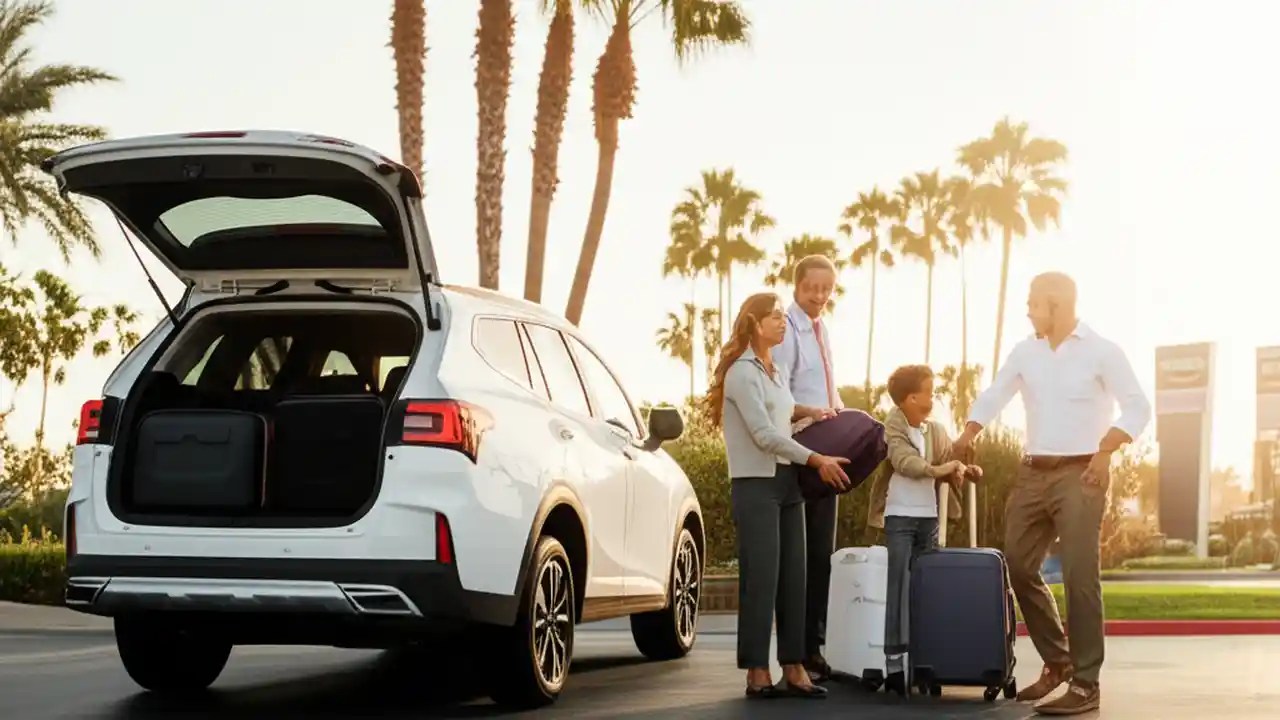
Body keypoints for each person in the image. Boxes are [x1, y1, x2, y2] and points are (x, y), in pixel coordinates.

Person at [953, 272, 1151, 716]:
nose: (1028, 311)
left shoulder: (1102, 351)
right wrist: (969, 431)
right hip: (1032, 473)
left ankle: (1086, 683)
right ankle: (1059, 661)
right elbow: (996, 393)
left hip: (1082, 473)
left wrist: (1107, 449)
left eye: (1033, 303)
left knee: (1080, 577)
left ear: (1056, 304)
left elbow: (1138, 406)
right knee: (1019, 564)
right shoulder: (1026, 351)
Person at [706, 292, 851, 700]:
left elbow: (781, 411)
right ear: (754, 323)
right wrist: (816, 459)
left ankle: (793, 666)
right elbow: (764, 434)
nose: (781, 322)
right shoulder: (741, 373)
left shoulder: (775, 369)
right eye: (773, 316)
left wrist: (811, 412)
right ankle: (756, 670)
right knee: (762, 579)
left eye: (781, 317)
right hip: (756, 485)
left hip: (788, 483)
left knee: (794, 578)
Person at [868, 364, 976, 694]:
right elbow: (905, 463)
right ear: (911, 398)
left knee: (928, 592)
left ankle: (925, 662)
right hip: (900, 518)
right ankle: (894, 666)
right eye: (928, 392)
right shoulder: (893, 427)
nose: (933, 397)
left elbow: (947, 459)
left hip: (929, 518)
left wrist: (961, 468)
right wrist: (940, 469)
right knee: (898, 588)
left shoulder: (935, 430)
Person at [772, 254, 844, 682]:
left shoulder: (822, 329)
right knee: (798, 560)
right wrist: (812, 414)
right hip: (800, 453)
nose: (819, 296)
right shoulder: (785, 330)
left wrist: (840, 417)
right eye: (811, 288)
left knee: (820, 556)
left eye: (826, 289)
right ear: (796, 286)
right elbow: (778, 395)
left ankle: (812, 649)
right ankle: (794, 654)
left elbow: (826, 390)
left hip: (827, 451)